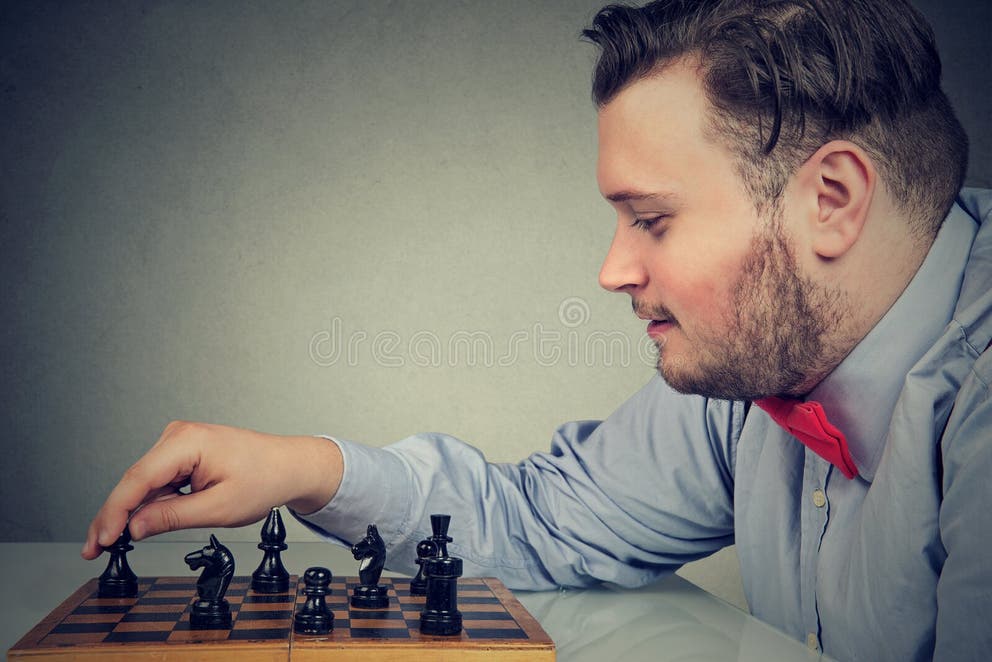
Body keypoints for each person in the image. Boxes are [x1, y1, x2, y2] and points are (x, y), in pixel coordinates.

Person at [83, 1, 990, 659]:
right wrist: (305, 470)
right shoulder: (759, 373)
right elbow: (543, 519)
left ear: (829, 201)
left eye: (654, 219)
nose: (612, 271)